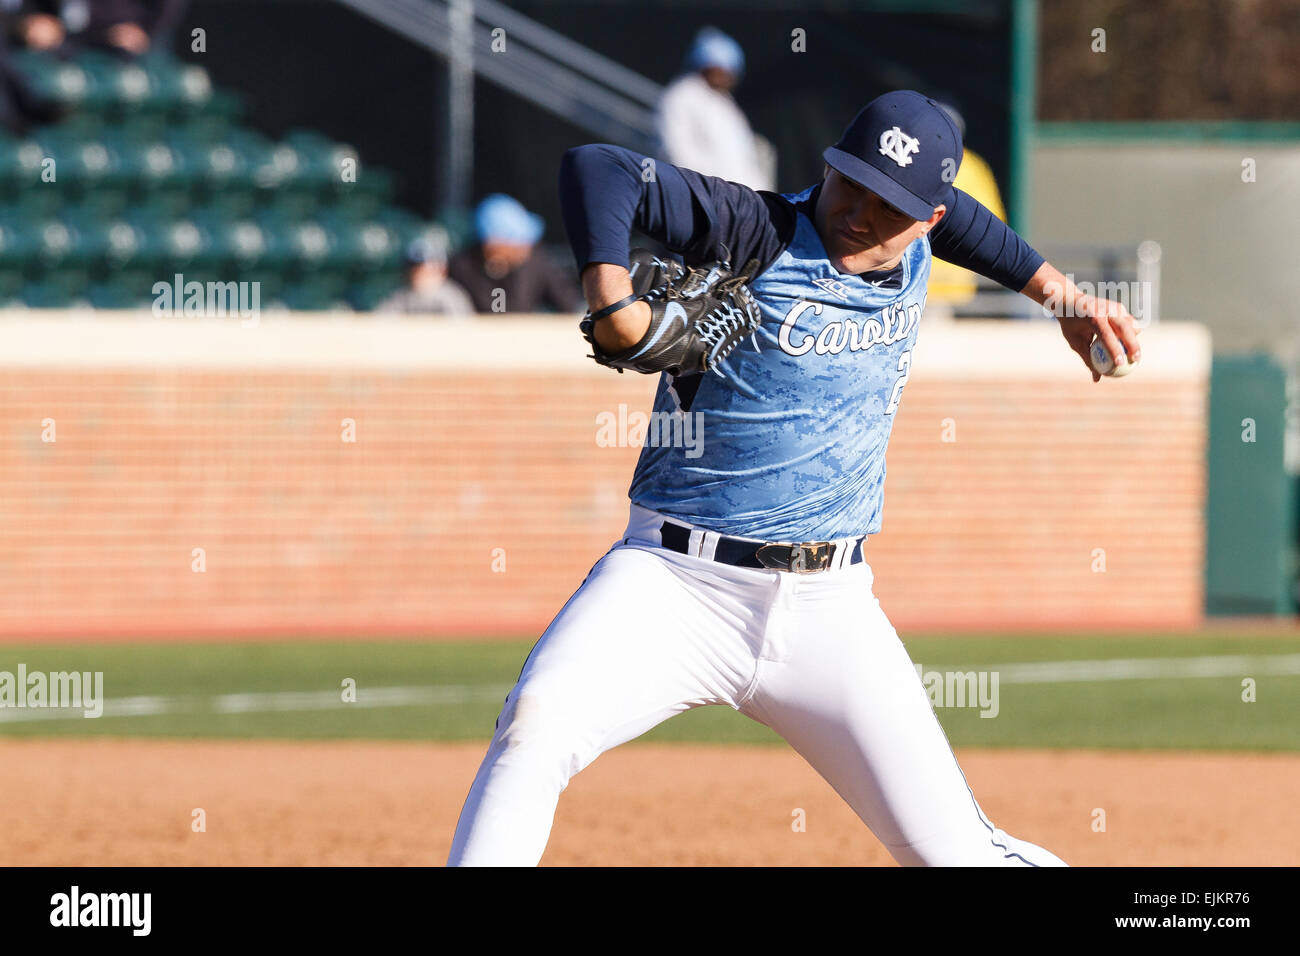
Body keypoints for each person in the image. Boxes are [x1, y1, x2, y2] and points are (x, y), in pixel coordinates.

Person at [447, 91, 1140, 866]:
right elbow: (601, 168)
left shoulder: (927, 240)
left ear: (928, 220)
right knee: (535, 727)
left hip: (828, 608)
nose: (860, 213)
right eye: (852, 185)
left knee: (957, 857)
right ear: (829, 166)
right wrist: (611, 298)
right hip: (673, 584)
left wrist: (1063, 298)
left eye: (891, 206)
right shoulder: (755, 227)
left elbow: (978, 230)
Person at [656, 26, 774, 191]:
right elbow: (676, 152)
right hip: (703, 198)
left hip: (737, 201)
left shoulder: (726, 104)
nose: (726, 77)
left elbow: (742, 160)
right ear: (706, 66)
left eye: (730, 72)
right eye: (721, 69)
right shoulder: (682, 95)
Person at [447, 194, 583, 315]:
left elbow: (568, 303)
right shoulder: (461, 267)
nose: (526, 246)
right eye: (515, 238)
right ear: (492, 244)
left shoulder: (536, 261)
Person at [373, 235, 473, 316]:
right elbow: (380, 323)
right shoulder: (400, 296)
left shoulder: (452, 297)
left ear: (442, 271)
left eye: (430, 269)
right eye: (417, 269)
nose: (423, 273)